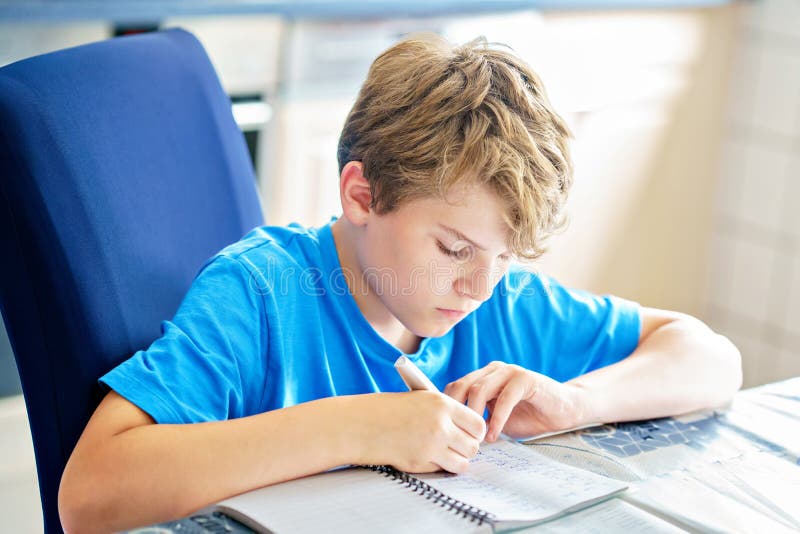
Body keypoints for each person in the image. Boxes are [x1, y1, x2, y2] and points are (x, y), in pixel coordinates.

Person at [58, 34, 741, 533]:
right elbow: (89, 495)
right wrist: (358, 428)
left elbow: (711, 359)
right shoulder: (264, 293)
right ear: (363, 195)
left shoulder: (494, 299)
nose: (479, 286)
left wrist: (572, 403)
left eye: (505, 258)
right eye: (453, 248)